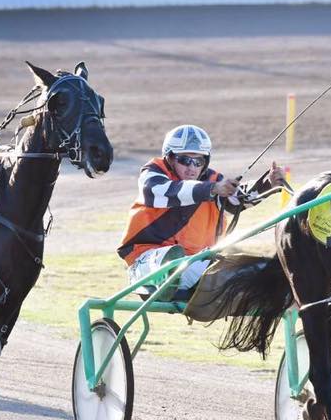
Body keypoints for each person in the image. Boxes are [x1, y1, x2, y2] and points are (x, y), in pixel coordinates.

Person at [117, 124, 285, 298]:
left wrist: (268, 185)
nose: (191, 168)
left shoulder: (213, 180)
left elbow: (235, 200)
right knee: (171, 259)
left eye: (198, 161)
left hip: (192, 263)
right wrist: (212, 189)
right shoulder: (153, 173)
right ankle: (167, 281)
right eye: (184, 160)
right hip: (145, 262)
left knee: (256, 271)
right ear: (170, 158)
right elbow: (162, 192)